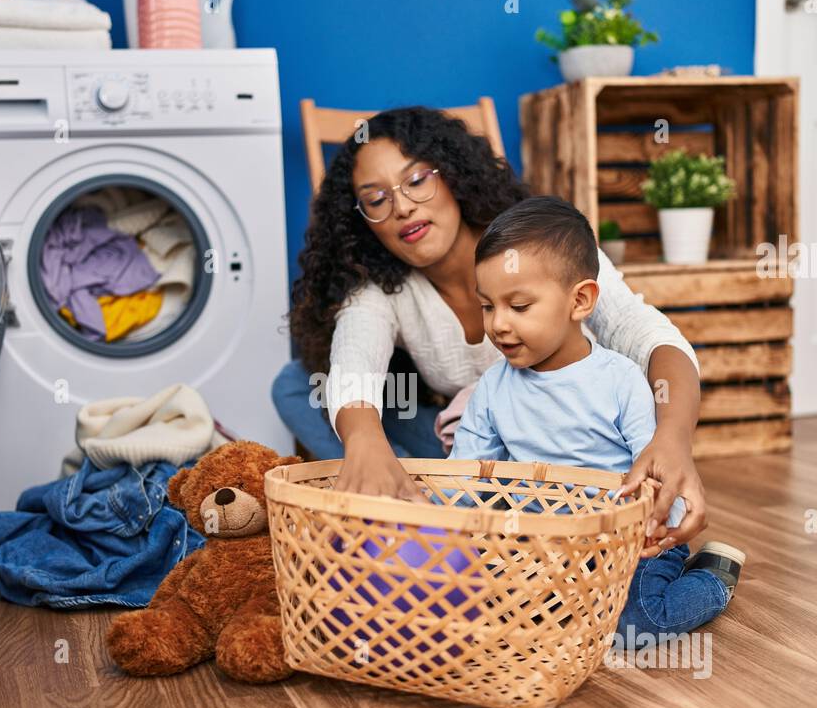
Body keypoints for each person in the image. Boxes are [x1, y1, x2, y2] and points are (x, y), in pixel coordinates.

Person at [274, 106, 707, 556]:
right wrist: (364, 439)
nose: (401, 206)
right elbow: (355, 358)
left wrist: (673, 440)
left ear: (453, 174)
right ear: (362, 219)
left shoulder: (537, 245)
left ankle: (437, 505)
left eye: (417, 180)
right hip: (477, 444)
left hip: (580, 443)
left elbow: (643, 331)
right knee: (294, 385)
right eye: (376, 199)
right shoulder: (382, 287)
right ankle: (404, 498)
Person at [448, 195, 744, 639]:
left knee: (635, 624)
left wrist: (660, 528)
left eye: (519, 306)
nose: (498, 325)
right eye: (488, 306)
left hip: (628, 540)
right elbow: (463, 477)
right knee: (502, 611)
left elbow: (660, 472)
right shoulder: (493, 387)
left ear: (581, 300)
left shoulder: (620, 379)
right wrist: (434, 534)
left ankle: (712, 578)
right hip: (543, 547)